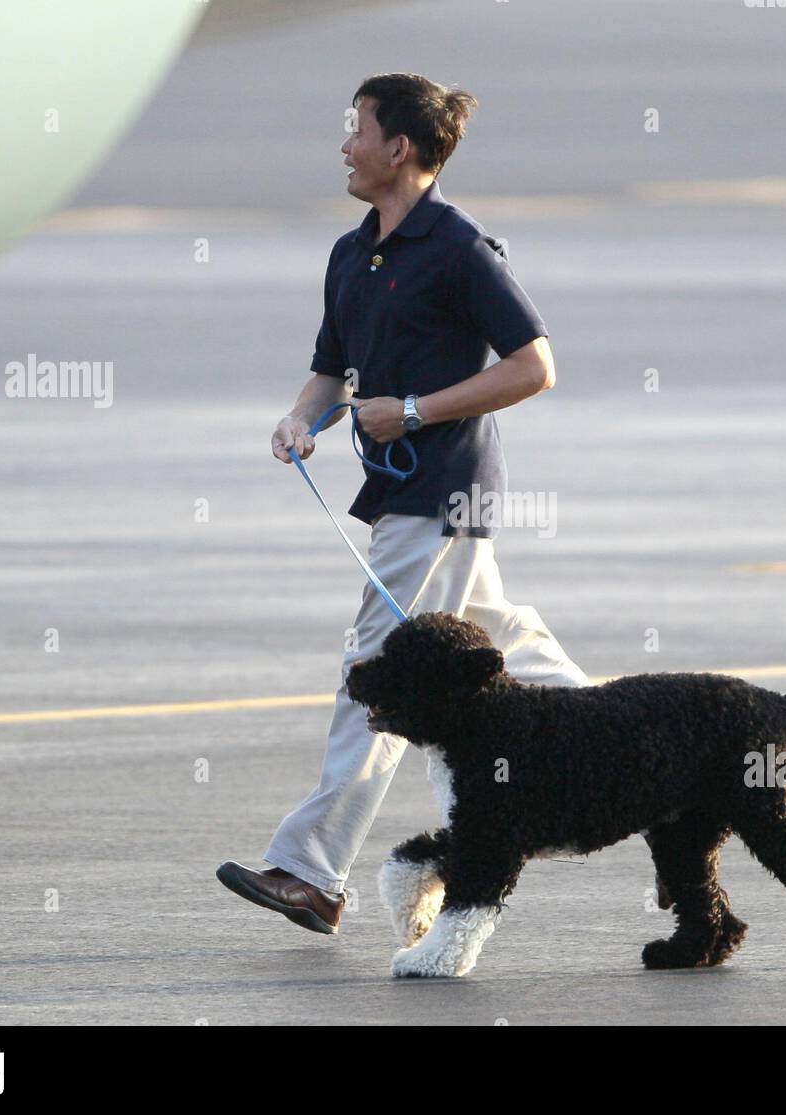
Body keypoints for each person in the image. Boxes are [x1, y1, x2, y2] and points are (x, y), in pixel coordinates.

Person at [216, 73, 589, 935]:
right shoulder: (353, 253)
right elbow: (331, 368)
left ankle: (311, 870)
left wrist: (418, 409)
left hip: (441, 491)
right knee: (507, 647)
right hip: (401, 495)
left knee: (378, 672)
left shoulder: (459, 247)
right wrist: (301, 418)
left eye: (357, 130)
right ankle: (656, 762)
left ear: (402, 149)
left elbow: (535, 366)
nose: (344, 145)